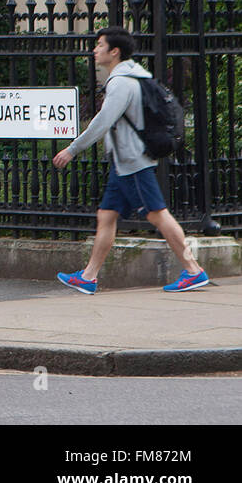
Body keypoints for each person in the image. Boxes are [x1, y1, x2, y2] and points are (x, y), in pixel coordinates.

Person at [53, 26, 208, 294]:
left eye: (100, 45)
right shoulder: (130, 76)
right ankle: (89, 276)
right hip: (123, 162)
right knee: (106, 215)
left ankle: (193, 270)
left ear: (114, 51)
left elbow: (102, 122)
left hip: (133, 162)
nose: (95, 49)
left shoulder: (121, 82)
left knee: (158, 215)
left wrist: (72, 149)